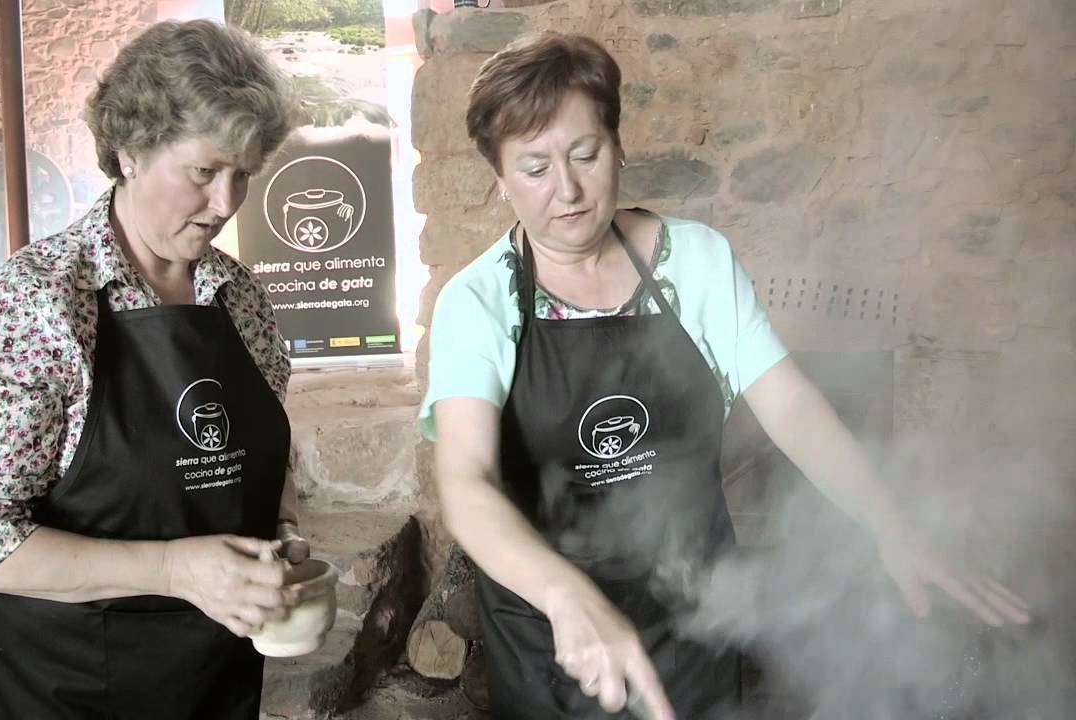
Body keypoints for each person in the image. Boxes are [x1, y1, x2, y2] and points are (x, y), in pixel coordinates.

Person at [418, 32, 1031, 720]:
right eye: (533, 167)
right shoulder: (477, 303)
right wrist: (568, 596)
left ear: (618, 147)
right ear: (499, 179)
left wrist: (891, 523)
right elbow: (465, 481)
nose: (566, 189)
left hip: (698, 623)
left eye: (584, 154)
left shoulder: (698, 264)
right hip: (552, 638)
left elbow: (790, 404)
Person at [0, 20, 311, 719]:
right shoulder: (39, 305)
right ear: (131, 152)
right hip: (67, 685)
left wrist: (274, 531)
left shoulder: (239, 297)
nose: (226, 203)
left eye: (244, 175)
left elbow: (237, 461)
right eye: (204, 171)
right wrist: (172, 569)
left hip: (211, 681)